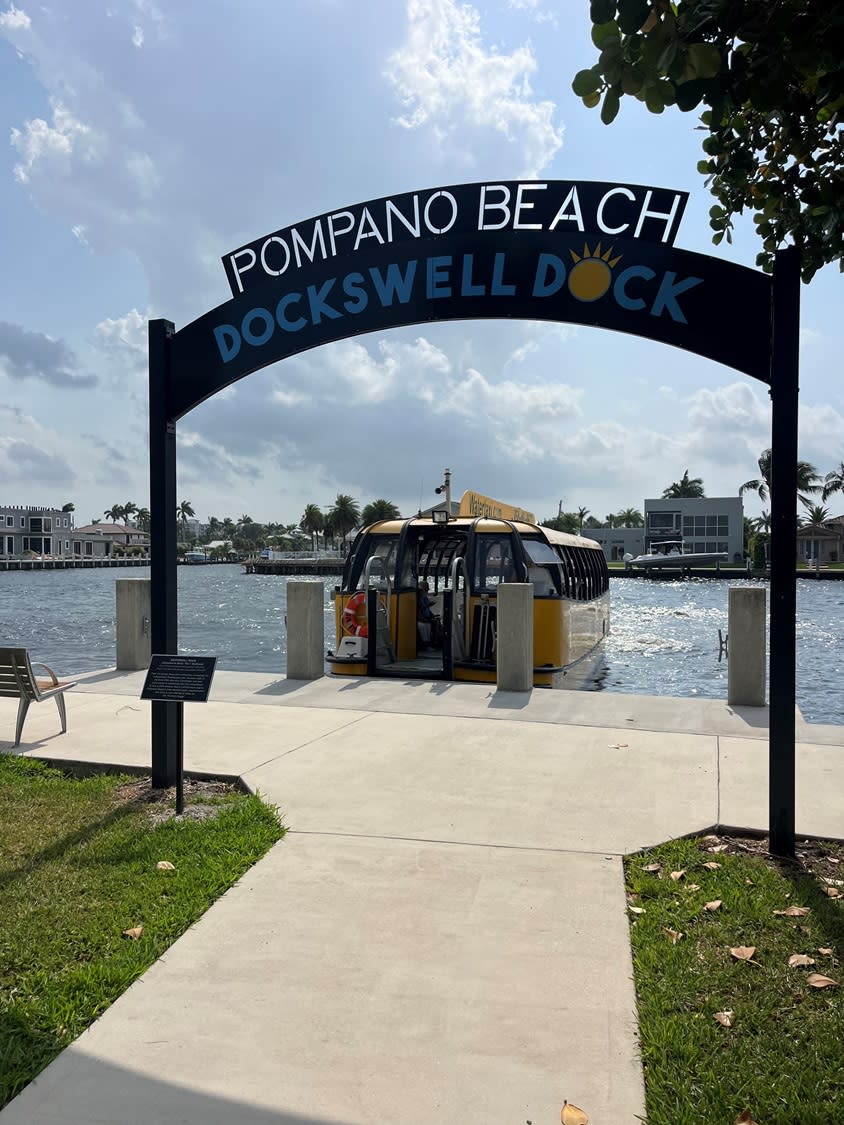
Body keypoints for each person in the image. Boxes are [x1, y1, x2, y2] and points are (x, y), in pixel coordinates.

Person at [417, 579, 437, 649]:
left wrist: (432, 615)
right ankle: (426, 644)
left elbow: (427, 609)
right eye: (426, 589)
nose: (427, 591)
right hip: (420, 619)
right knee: (425, 626)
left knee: (434, 623)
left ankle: (433, 643)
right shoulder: (418, 598)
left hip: (426, 617)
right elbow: (419, 609)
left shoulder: (424, 597)